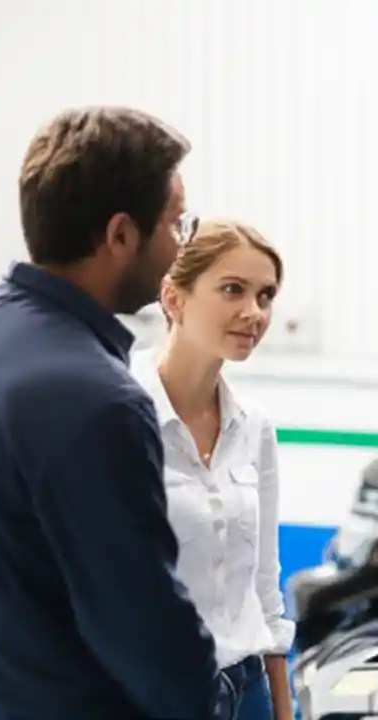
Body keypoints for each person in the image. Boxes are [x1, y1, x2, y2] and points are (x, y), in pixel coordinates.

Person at [0, 106, 231, 719]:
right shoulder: (95, 400)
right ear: (121, 234)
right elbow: (145, 629)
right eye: (177, 224)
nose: (181, 246)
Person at [129, 218, 296, 720]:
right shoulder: (117, 413)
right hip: (155, 692)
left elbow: (264, 587)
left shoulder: (254, 426)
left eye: (265, 296)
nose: (254, 313)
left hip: (248, 691)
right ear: (173, 298)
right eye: (232, 290)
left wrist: (282, 710)